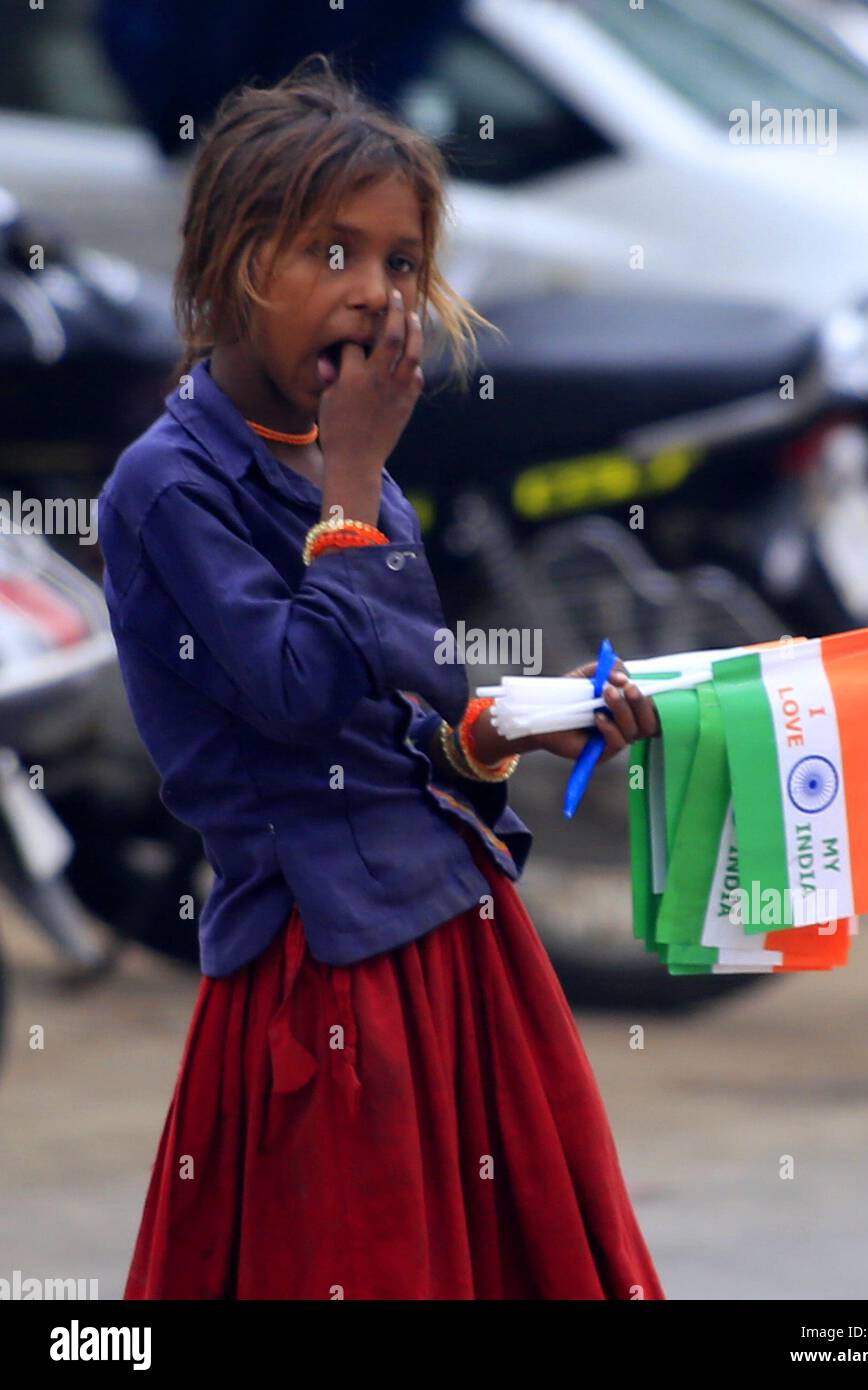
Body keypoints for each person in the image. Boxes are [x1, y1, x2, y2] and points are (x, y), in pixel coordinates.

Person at [98, 52, 665, 1301]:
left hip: (459, 943)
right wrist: (351, 485)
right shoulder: (171, 487)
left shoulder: (354, 466)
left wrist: (525, 725)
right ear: (231, 262)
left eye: (400, 264)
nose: (372, 294)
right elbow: (295, 694)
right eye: (329, 253)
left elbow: (407, 716)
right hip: (324, 971)